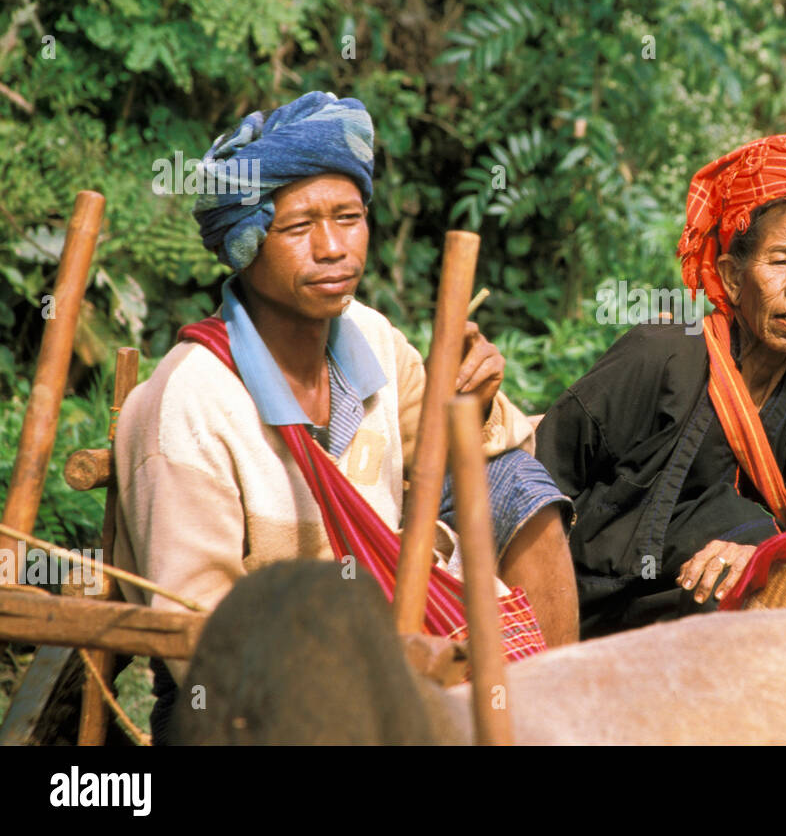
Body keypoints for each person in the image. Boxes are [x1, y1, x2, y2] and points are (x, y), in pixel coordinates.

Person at [114, 91, 578, 742]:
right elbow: (200, 640)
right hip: (253, 705)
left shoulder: (371, 338)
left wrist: (474, 399)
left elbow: (458, 443)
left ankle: (549, 704)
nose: (333, 247)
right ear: (247, 243)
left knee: (517, 481)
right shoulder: (191, 404)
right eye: (299, 227)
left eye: (349, 218)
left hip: (387, 644)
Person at [535, 128, 786, 637]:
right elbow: (544, 481)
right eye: (780, 262)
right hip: (588, 615)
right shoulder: (661, 356)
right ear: (733, 276)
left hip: (733, 645)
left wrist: (765, 554)